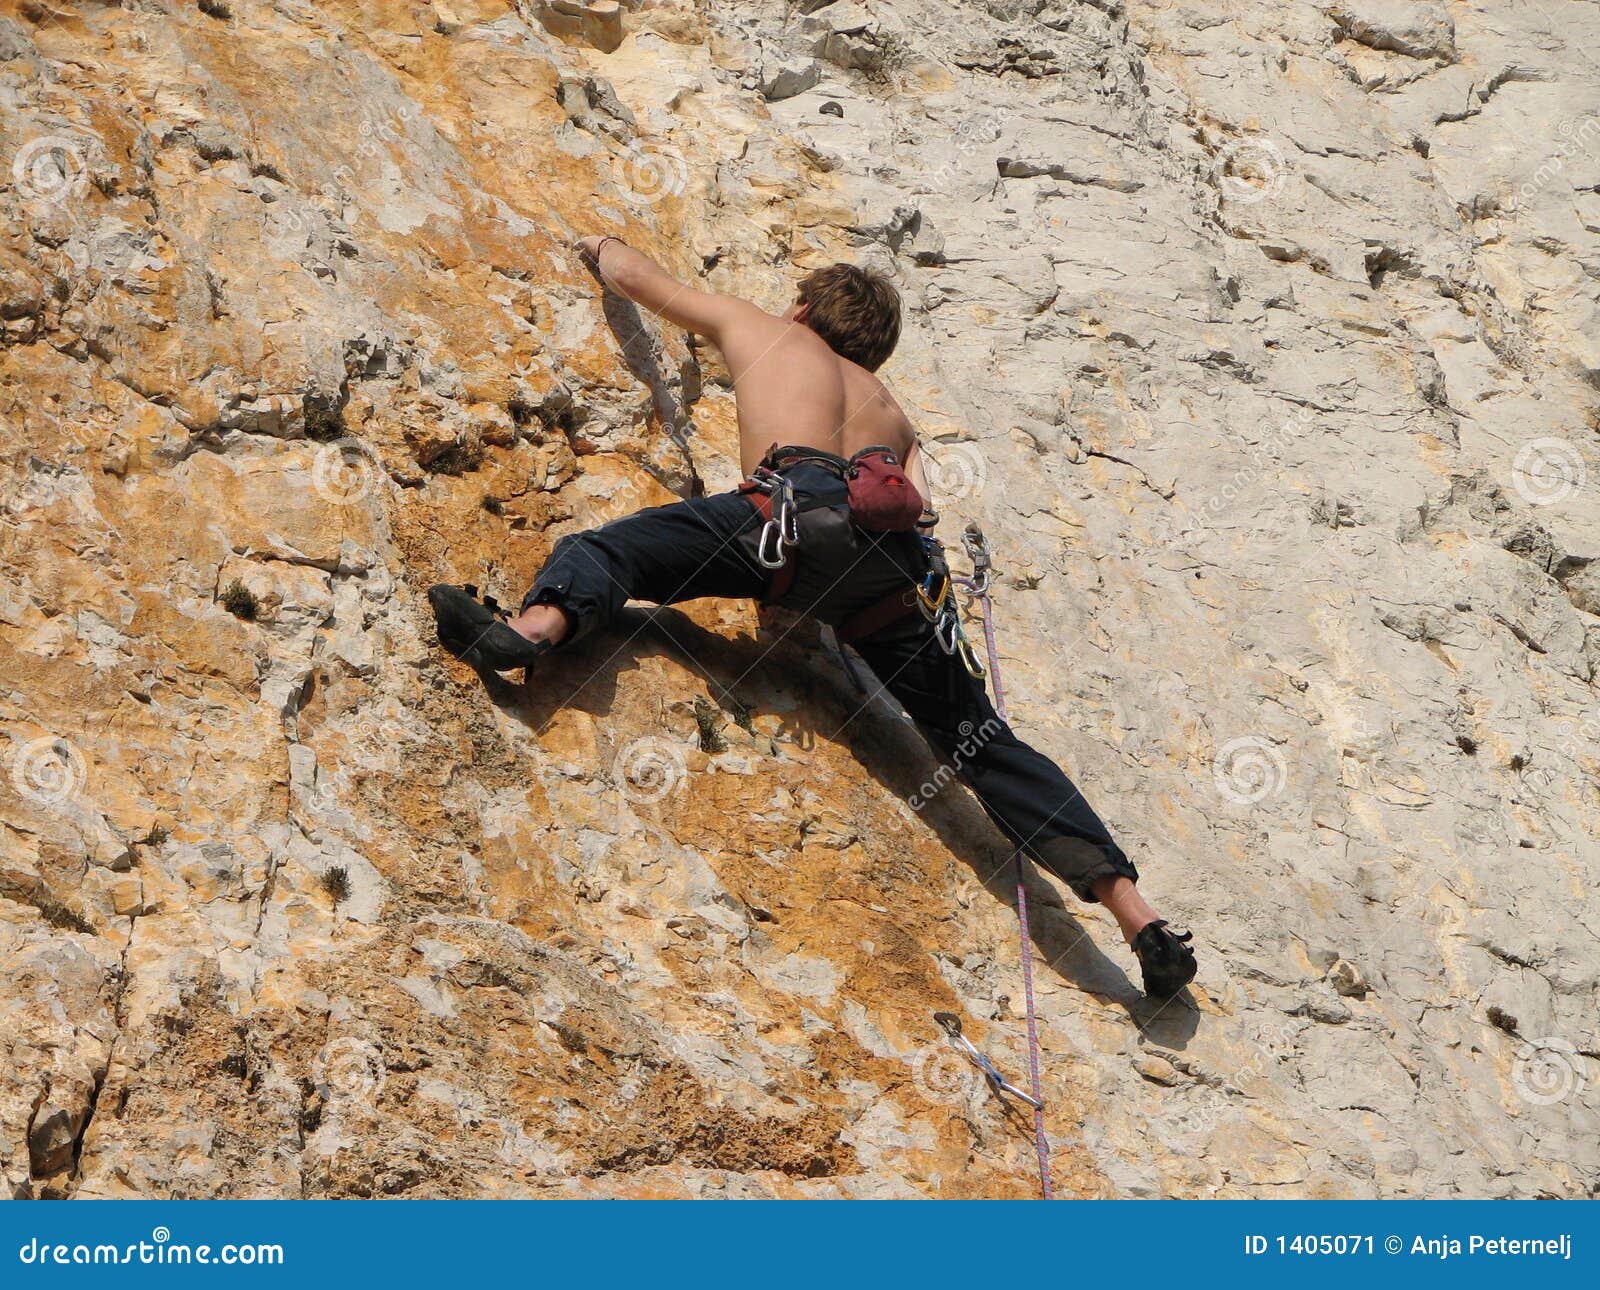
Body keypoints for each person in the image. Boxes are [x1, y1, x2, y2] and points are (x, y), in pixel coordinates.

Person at [429, 236, 1197, 997]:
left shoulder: (764, 329)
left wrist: (596, 245)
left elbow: (641, 279)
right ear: (876, 351)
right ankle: (1141, 919)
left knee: (616, 550)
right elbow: (922, 509)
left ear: (800, 308)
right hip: (889, 582)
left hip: (784, 526)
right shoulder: (891, 411)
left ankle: (528, 633)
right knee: (982, 744)